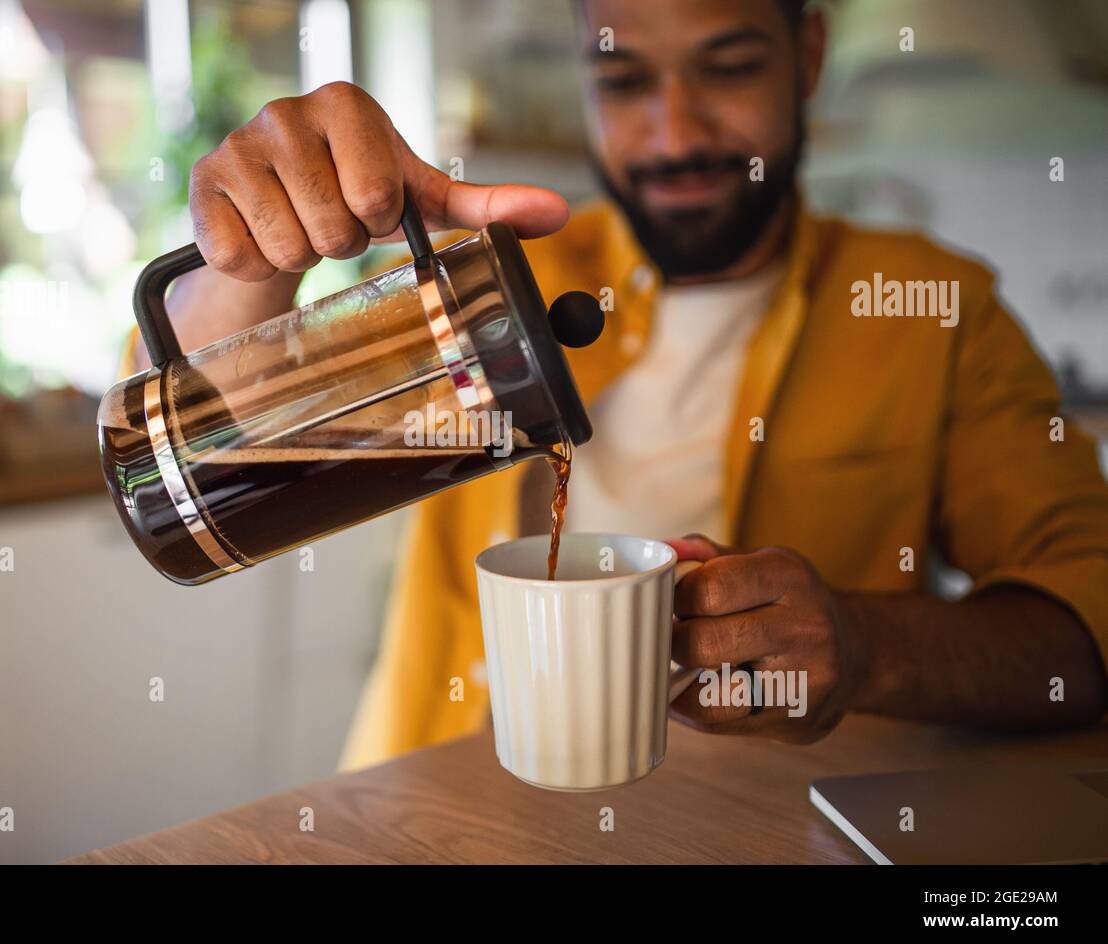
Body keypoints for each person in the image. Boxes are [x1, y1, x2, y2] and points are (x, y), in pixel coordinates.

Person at [127, 0, 1108, 769]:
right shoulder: (488, 285)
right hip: (421, 817)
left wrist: (866, 643)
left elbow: (1088, 611)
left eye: (727, 67)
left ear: (806, 56)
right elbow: (200, 455)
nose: (674, 131)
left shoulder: (930, 308)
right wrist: (252, 262)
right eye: (624, 78)